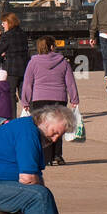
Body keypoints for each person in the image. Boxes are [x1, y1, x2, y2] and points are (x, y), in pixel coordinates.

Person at [20, 38, 80, 166]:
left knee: (43, 128)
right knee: (58, 127)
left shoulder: (33, 62)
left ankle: (46, 157)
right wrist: (74, 99)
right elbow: (70, 82)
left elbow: (28, 83)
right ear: (51, 47)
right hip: (59, 98)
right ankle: (57, 155)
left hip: (40, 98)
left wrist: (25, 100)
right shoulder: (63, 62)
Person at [0, 12, 30, 104]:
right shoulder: (22, 33)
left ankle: (13, 117)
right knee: (25, 95)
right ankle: (31, 115)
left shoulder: (7, 35)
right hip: (24, 67)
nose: (2, 25)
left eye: (3, 23)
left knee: (11, 96)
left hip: (12, 69)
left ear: (9, 23)